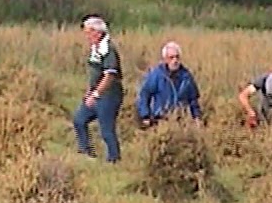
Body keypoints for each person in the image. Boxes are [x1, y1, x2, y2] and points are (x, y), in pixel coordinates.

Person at [73, 15, 124, 162]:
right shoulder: (95, 48)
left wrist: (96, 94)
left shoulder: (108, 49)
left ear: (98, 32)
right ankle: (85, 151)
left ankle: (114, 159)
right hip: (96, 92)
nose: (86, 36)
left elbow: (109, 76)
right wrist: (90, 91)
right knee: (79, 120)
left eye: (89, 32)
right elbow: (95, 73)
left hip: (109, 95)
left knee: (106, 130)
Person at [136, 41, 203, 128]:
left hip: (181, 122)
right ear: (165, 59)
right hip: (160, 120)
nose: (175, 61)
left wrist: (197, 117)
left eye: (177, 57)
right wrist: (145, 116)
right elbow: (144, 94)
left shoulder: (186, 76)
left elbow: (193, 100)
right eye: (171, 57)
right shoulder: (157, 75)